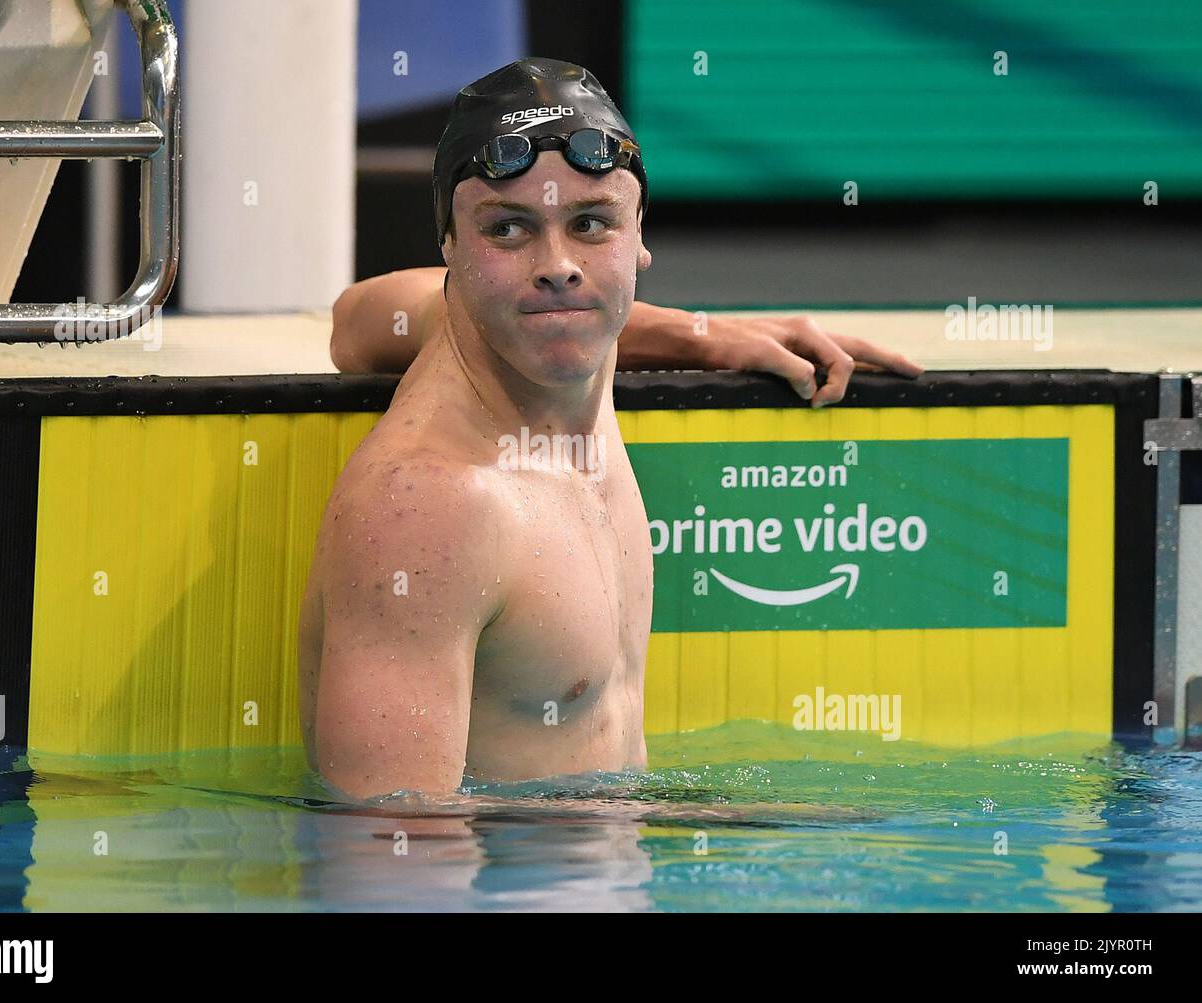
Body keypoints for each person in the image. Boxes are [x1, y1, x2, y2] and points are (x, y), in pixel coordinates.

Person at [299, 57, 921, 804]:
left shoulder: (554, 346)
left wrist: (702, 335)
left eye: (591, 223)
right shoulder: (431, 507)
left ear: (638, 237)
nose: (558, 267)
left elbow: (360, 321)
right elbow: (388, 857)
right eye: (509, 228)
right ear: (450, 250)